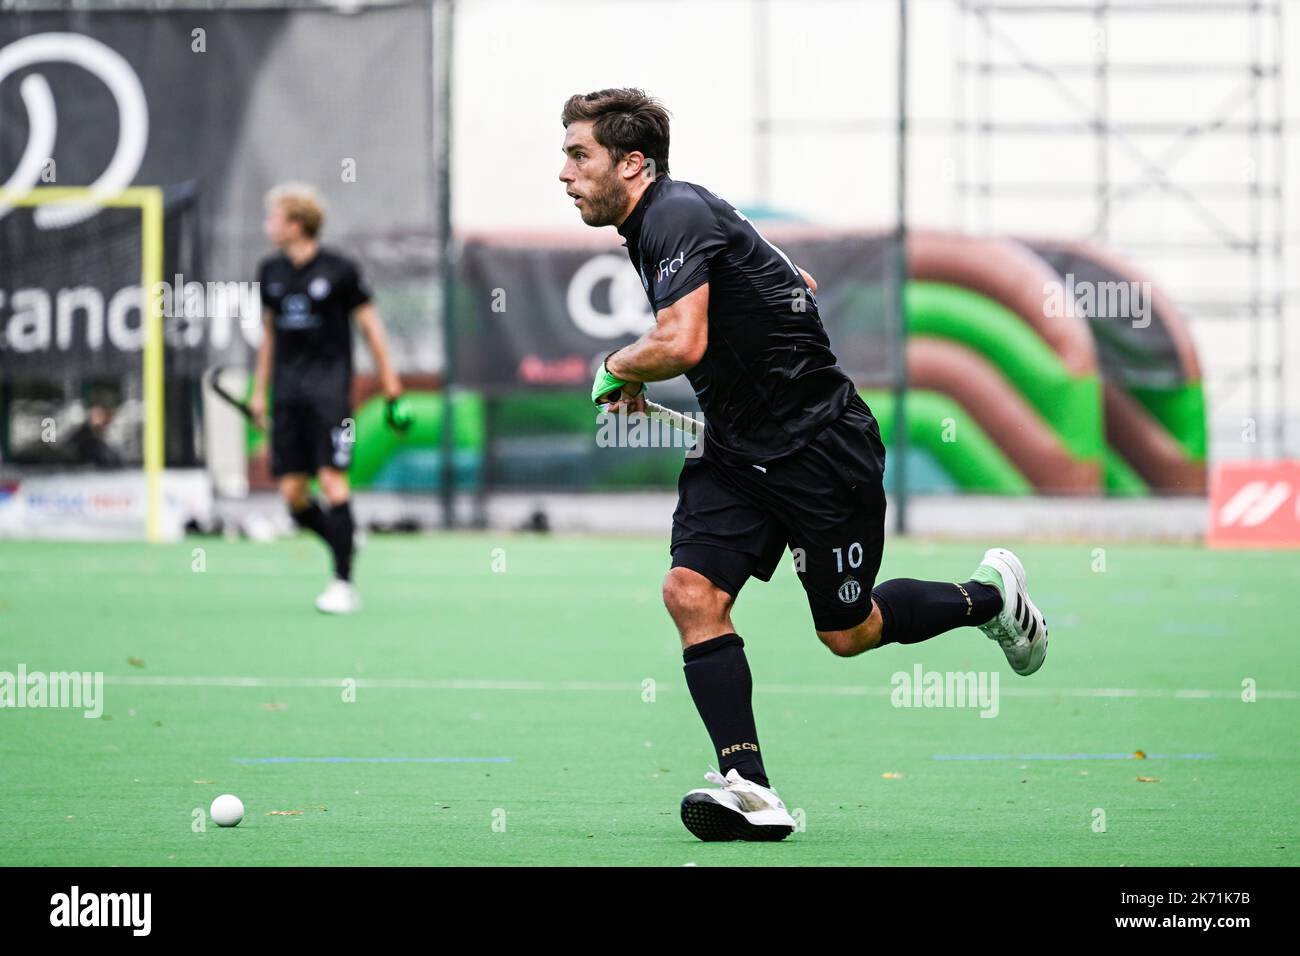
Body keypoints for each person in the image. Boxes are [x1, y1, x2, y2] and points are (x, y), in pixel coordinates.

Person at [559, 89, 1049, 842]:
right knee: (690, 592)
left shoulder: (673, 214)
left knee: (848, 632)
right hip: (734, 450)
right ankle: (749, 788)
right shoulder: (668, 220)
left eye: (578, 155)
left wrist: (618, 365)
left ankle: (990, 598)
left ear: (631, 163)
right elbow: (790, 277)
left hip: (822, 451)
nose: (564, 173)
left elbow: (682, 341)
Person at [250, 184, 411, 614]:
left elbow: (371, 328)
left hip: (329, 396)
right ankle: (344, 534)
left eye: (274, 218)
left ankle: (343, 583)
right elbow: (269, 334)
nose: (268, 226)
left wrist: (390, 381)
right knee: (294, 496)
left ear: (296, 224)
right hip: (286, 396)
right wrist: (258, 392)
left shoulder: (340, 270)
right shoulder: (270, 271)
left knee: (333, 480)